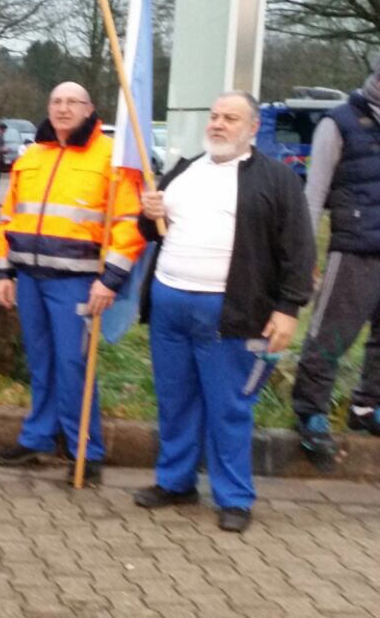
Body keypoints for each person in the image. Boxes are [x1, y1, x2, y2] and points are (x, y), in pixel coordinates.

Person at [134, 91, 314, 532]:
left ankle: (233, 496)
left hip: (230, 311)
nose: (218, 124)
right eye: (214, 116)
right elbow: (151, 231)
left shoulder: (275, 179)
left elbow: (299, 249)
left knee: (228, 406)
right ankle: (175, 482)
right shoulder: (183, 169)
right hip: (170, 305)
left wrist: (288, 309)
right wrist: (147, 213)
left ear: (253, 128)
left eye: (230, 118)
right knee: (175, 401)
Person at [0, 81, 146, 485]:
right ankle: (38, 437)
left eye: (71, 102)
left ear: (89, 108)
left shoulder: (112, 157)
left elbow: (129, 224)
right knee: (39, 364)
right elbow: (9, 218)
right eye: (55, 101)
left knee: (75, 365)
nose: (62, 109)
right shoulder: (32, 155)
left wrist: (110, 280)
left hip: (77, 283)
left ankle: (85, 450)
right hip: (29, 278)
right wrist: (4, 272)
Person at [292, 57, 380, 469]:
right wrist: (306, 254)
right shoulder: (339, 122)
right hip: (354, 248)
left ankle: (367, 407)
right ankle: (310, 412)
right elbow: (313, 195)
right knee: (331, 335)